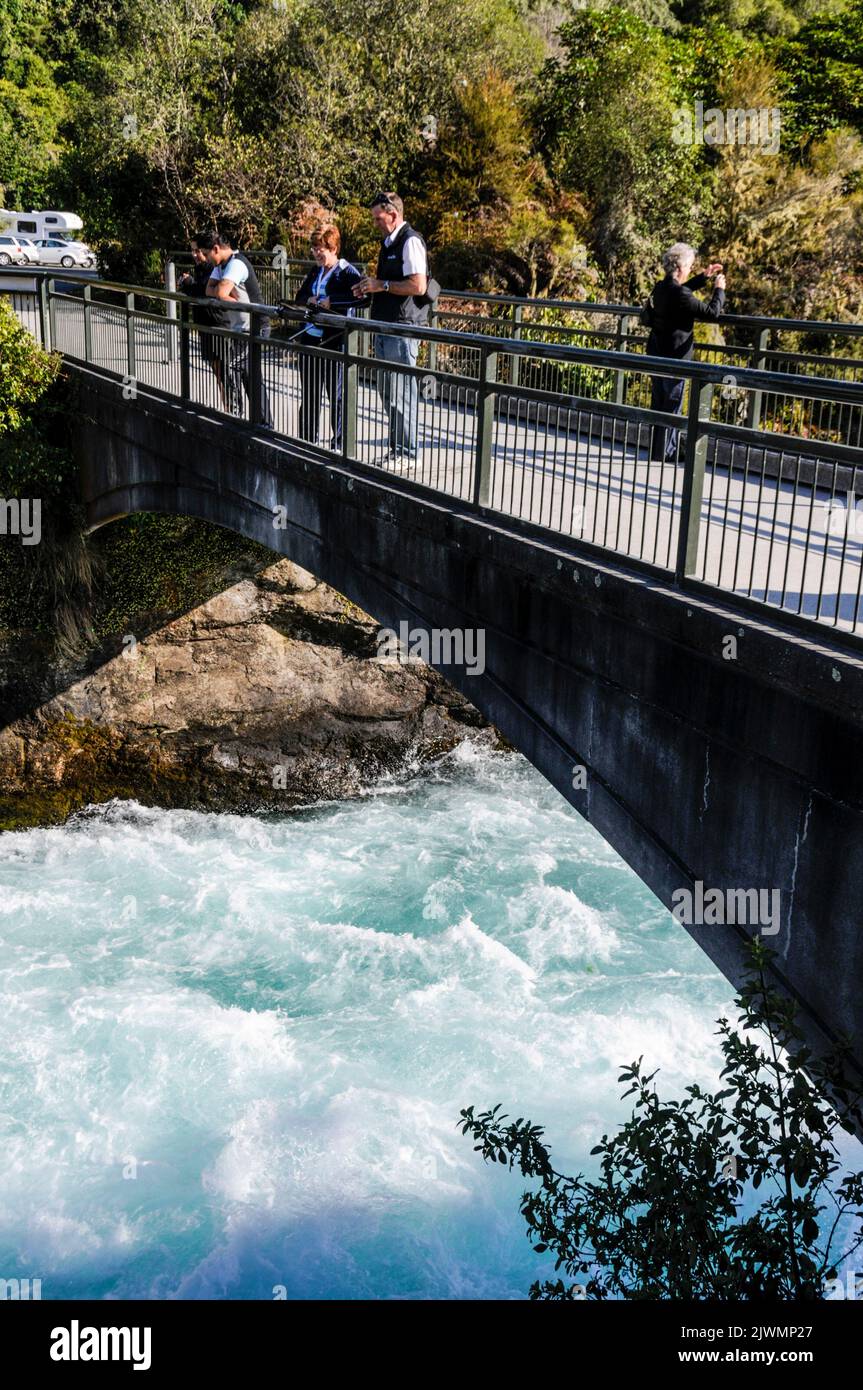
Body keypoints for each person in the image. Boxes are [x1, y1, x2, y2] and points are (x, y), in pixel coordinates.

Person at [353, 192, 429, 470]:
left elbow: (418, 286)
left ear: (393, 215)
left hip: (402, 327)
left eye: (378, 218)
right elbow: (387, 282)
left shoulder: (410, 241)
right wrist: (369, 286)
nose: (375, 223)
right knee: (388, 390)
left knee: (402, 391)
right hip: (385, 325)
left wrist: (381, 285)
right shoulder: (389, 242)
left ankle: (408, 453)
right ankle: (397, 449)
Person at [645, 243, 726, 462]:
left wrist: (704, 276)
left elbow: (682, 291)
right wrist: (719, 289)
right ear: (680, 266)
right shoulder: (678, 294)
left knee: (660, 403)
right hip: (675, 358)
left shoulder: (661, 288)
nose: (690, 269)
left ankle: (657, 450)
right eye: (689, 266)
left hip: (656, 353)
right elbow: (712, 313)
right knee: (672, 404)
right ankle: (667, 453)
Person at [293, 225, 364, 448]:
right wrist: (309, 301)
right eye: (314, 249)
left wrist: (332, 301)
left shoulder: (347, 272)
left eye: (320, 249)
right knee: (310, 392)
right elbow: (300, 296)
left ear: (333, 248)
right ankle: (307, 440)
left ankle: (340, 443)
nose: (316, 253)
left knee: (336, 394)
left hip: (334, 340)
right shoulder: (316, 271)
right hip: (311, 337)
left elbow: (362, 299)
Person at [197, 230, 274, 428]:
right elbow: (209, 290)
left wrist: (223, 293)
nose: (205, 258)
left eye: (206, 254)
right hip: (241, 328)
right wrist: (223, 293)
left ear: (216, 249)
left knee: (233, 367)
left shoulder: (236, 263)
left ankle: (245, 419)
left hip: (255, 326)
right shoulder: (222, 265)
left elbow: (221, 293)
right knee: (247, 374)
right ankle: (259, 422)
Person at [177, 237, 226, 407]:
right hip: (205, 324)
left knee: (223, 372)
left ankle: (232, 409)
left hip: (217, 324)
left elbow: (204, 290)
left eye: (198, 251)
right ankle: (229, 407)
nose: (195, 255)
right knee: (217, 370)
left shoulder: (214, 267)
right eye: (193, 251)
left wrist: (189, 283)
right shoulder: (200, 268)